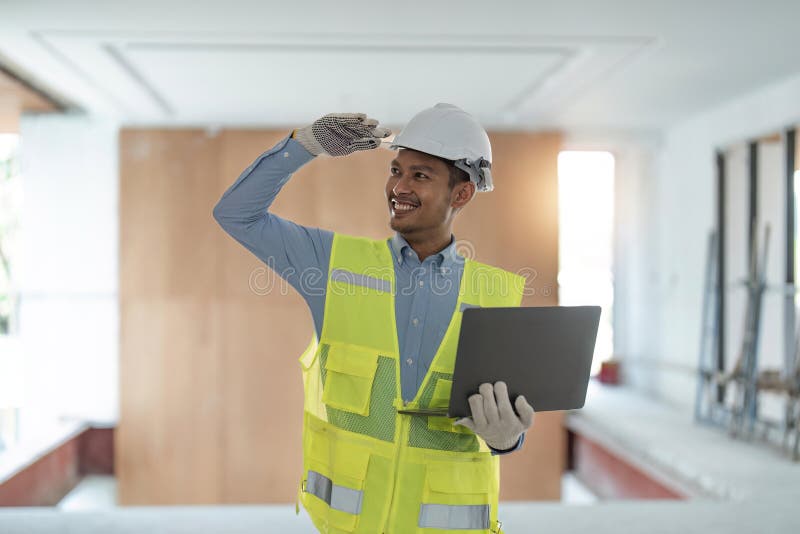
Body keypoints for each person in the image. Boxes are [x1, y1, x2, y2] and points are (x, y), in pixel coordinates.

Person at [213, 103, 535, 533]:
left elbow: (503, 421)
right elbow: (236, 213)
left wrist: (506, 439)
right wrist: (305, 147)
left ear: (461, 194)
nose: (398, 186)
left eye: (420, 175)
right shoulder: (334, 265)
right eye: (395, 170)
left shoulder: (495, 296)